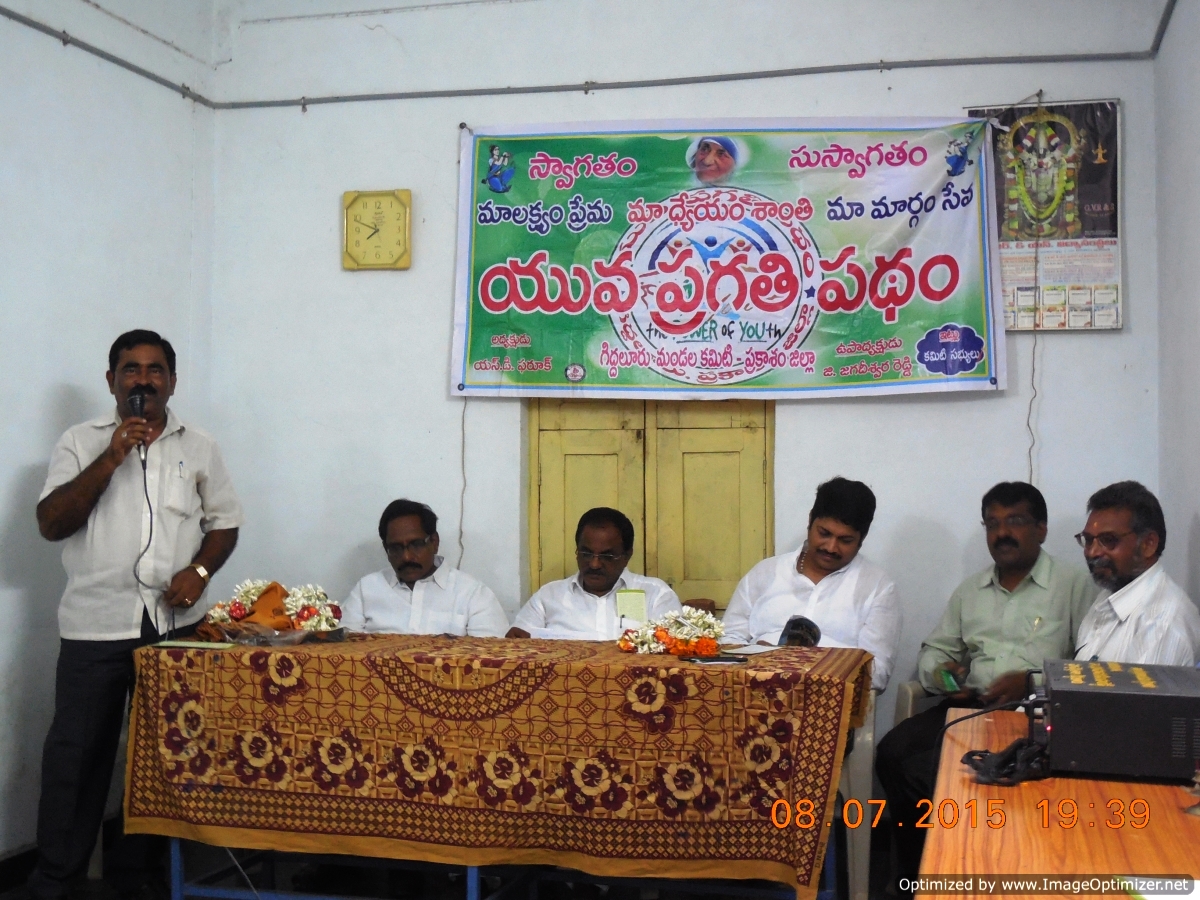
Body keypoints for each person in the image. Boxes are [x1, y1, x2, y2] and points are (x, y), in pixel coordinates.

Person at [30, 330, 243, 900]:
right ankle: (56, 880)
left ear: (172, 381)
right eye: (130, 370)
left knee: (159, 761)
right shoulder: (81, 441)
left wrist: (198, 573)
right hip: (94, 626)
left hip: (174, 630)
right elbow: (52, 522)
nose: (142, 380)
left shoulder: (198, 446)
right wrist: (115, 453)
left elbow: (224, 523)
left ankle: (141, 878)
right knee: (76, 759)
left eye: (154, 370)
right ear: (111, 381)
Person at [874, 481, 1094, 896]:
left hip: (1038, 713)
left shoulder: (1073, 586)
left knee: (961, 778)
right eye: (992, 523)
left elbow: (1088, 668)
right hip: (970, 707)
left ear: (1042, 529)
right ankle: (918, 874)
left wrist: (1031, 682)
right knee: (893, 754)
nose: (1002, 533)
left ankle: (980, 865)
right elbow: (934, 653)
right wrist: (944, 677)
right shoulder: (969, 592)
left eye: (1015, 521)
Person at [722, 477, 902, 690]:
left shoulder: (878, 588)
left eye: (845, 541)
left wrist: (804, 664)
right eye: (824, 534)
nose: (832, 547)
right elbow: (727, 643)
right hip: (753, 696)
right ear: (810, 521)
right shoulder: (765, 573)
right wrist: (762, 659)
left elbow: (878, 674)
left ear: (862, 538)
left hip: (830, 706)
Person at [1074, 481, 1200, 666]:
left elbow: (1143, 696)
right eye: (1089, 540)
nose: (1092, 552)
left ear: (1148, 544)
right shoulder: (1109, 593)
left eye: (1108, 540)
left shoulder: (1162, 624)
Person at [341, 498, 509, 637]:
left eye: (416, 544)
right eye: (396, 548)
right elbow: (343, 652)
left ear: (434, 542)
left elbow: (493, 658)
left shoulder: (472, 594)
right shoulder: (367, 589)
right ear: (386, 549)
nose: (406, 557)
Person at [507, 507, 680, 639]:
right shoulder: (549, 596)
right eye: (586, 553)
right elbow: (517, 646)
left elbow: (675, 653)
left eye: (607, 556)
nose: (594, 564)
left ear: (626, 556)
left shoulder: (656, 595)